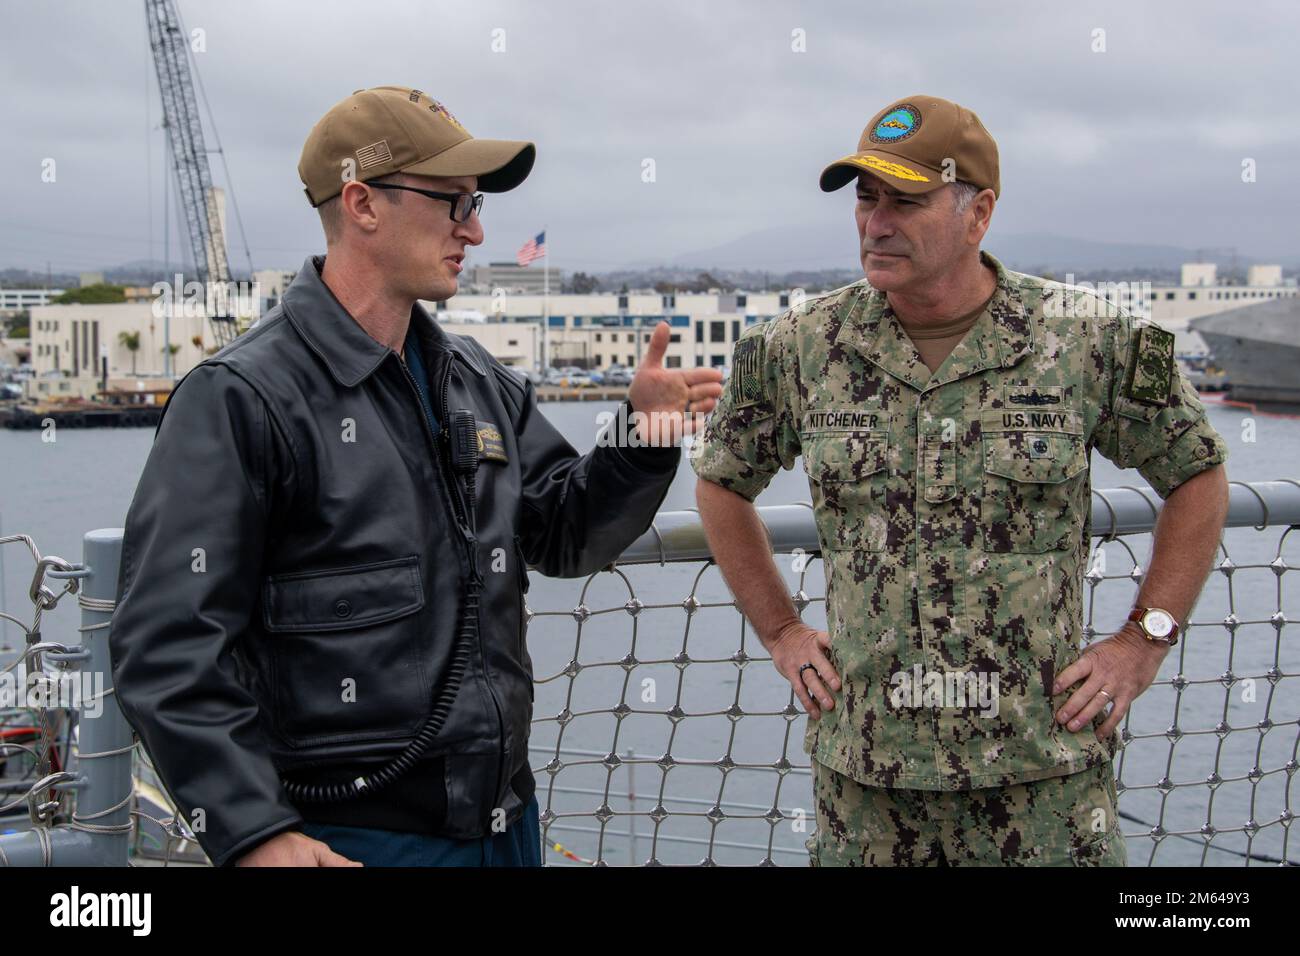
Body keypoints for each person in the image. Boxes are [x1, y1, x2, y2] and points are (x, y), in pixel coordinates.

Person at [109, 86, 723, 867]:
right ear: (362, 203)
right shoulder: (241, 399)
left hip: (505, 826)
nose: (474, 228)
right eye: (454, 201)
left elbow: (566, 534)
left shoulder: (473, 380)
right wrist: (255, 833)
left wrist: (643, 437)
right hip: (346, 842)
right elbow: (167, 644)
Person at [690, 95, 1229, 865]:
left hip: (1044, 784)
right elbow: (720, 480)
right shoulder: (801, 348)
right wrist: (780, 629)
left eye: (905, 201)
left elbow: (1198, 473)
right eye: (866, 199)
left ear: (978, 214)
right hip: (869, 787)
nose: (877, 223)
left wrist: (1143, 640)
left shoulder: (1085, 340)